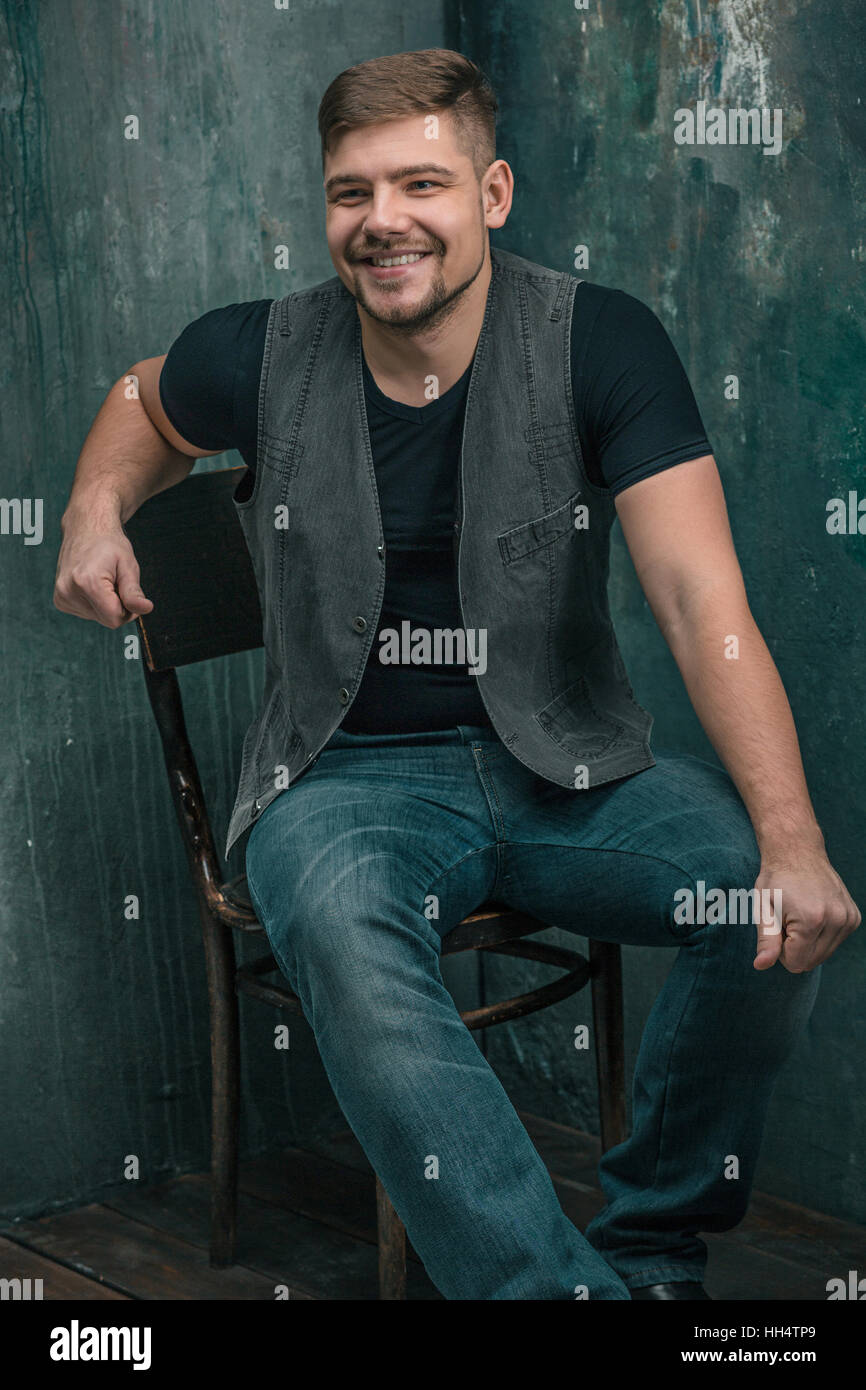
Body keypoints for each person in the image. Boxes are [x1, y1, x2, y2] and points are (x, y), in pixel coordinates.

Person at [54, 48, 859, 1301]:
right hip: (345, 776)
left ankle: (651, 1244)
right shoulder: (260, 350)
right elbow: (140, 403)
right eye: (350, 191)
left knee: (751, 897)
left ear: (490, 192)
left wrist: (791, 837)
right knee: (343, 925)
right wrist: (95, 508)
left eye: (419, 184)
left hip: (568, 768)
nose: (382, 222)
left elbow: (703, 602)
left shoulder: (599, 340)